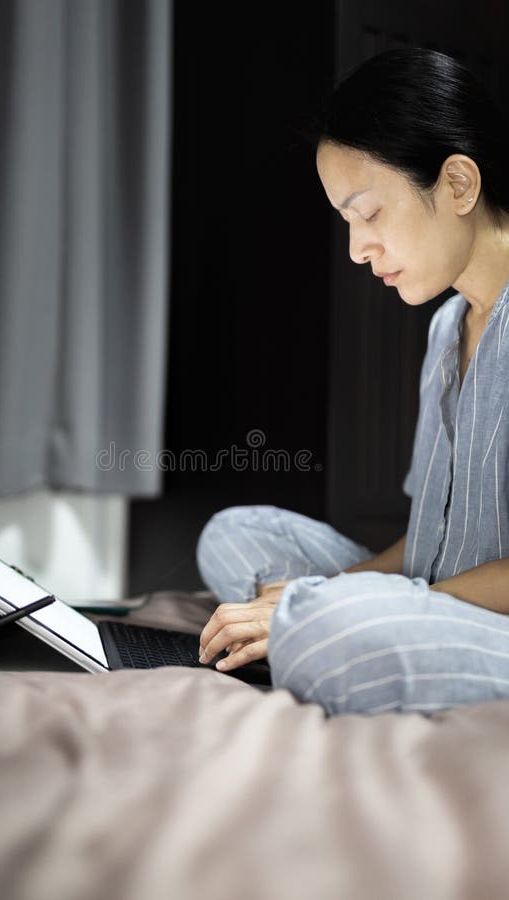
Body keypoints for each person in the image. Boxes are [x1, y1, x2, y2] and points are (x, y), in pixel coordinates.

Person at [195, 48, 509, 716]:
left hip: (485, 619)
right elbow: (427, 542)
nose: (357, 248)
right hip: (430, 594)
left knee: (322, 633)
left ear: (457, 185)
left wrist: (342, 604)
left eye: (368, 214)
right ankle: (333, 621)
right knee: (231, 536)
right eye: (346, 223)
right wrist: (342, 585)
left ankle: (338, 630)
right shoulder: (448, 327)